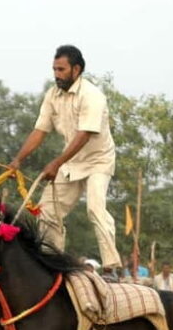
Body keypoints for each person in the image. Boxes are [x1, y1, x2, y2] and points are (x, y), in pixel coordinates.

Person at [8, 45, 121, 270]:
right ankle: (51, 261)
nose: (56, 75)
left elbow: (85, 134)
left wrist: (55, 163)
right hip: (71, 163)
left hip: (98, 160)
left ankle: (111, 265)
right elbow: (40, 130)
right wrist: (17, 160)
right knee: (47, 209)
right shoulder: (52, 95)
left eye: (61, 69)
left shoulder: (92, 96)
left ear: (76, 69)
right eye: (54, 69)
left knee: (94, 208)